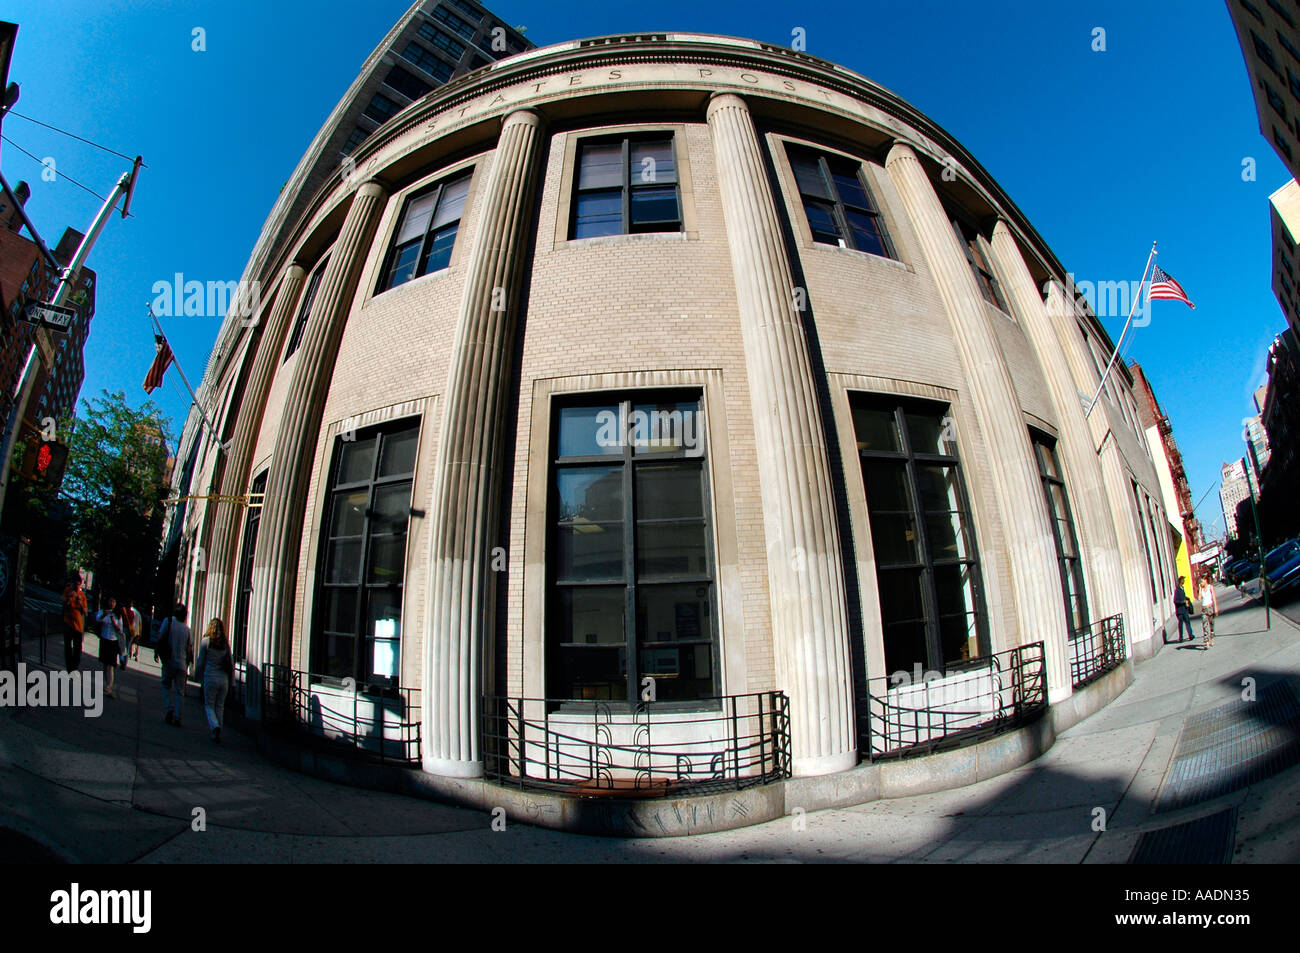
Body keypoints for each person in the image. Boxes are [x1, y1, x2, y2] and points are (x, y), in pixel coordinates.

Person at [195, 618, 234, 743]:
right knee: (220, 706)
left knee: (209, 705)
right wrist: (232, 682)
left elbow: (201, 661)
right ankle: (218, 732)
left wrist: (197, 676)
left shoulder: (206, 642)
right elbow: (231, 665)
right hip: (224, 680)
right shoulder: (225, 644)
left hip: (210, 677)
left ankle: (214, 726)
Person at [156, 603, 193, 727]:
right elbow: (189, 649)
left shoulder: (168, 621)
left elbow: (160, 637)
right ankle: (178, 717)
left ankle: (169, 708)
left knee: (165, 685)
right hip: (181, 664)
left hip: (168, 660)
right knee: (180, 691)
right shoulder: (187, 629)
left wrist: (158, 651)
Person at [95, 595, 123, 698]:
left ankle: (109, 686)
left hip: (113, 641)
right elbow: (97, 619)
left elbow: (120, 630)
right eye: (110, 601)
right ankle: (106, 684)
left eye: (114, 601)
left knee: (111, 665)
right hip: (104, 639)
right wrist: (104, 615)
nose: (112, 603)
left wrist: (114, 622)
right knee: (105, 665)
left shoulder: (117, 615)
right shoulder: (103, 612)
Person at [61, 574, 87, 670]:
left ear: (80, 584)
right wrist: (68, 596)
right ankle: (69, 667)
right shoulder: (68, 591)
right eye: (74, 584)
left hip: (78, 626)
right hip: (68, 623)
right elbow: (63, 602)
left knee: (77, 649)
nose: (76, 586)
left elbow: (85, 612)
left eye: (78, 584)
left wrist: (80, 603)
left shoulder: (82, 595)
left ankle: (75, 666)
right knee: (67, 647)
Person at [1173, 575, 1194, 643]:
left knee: (1187, 622)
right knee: (1181, 624)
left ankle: (1190, 635)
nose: (1184, 581)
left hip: (1184, 610)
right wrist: (1182, 602)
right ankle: (1181, 637)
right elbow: (1175, 601)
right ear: (1180, 581)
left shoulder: (1182, 588)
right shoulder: (1177, 590)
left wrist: (1187, 598)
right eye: (1183, 580)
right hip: (1180, 611)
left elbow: (1183, 597)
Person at [1200, 576, 1219, 648]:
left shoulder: (1210, 587)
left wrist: (1216, 608)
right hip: (1204, 609)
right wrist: (1199, 589)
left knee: (1211, 624)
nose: (1201, 583)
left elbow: (1214, 598)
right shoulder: (1201, 589)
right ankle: (1207, 642)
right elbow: (1199, 598)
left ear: (1205, 580)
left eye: (1202, 581)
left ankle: (1212, 636)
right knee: (1205, 625)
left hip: (1210, 607)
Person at [117, 598, 135, 670]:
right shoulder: (133, 613)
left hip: (123, 629)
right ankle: (125, 663)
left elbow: (119, 619)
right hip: (131, 631)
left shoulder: (123, 610)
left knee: (122, 646)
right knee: (127, 647)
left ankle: (121, 659)